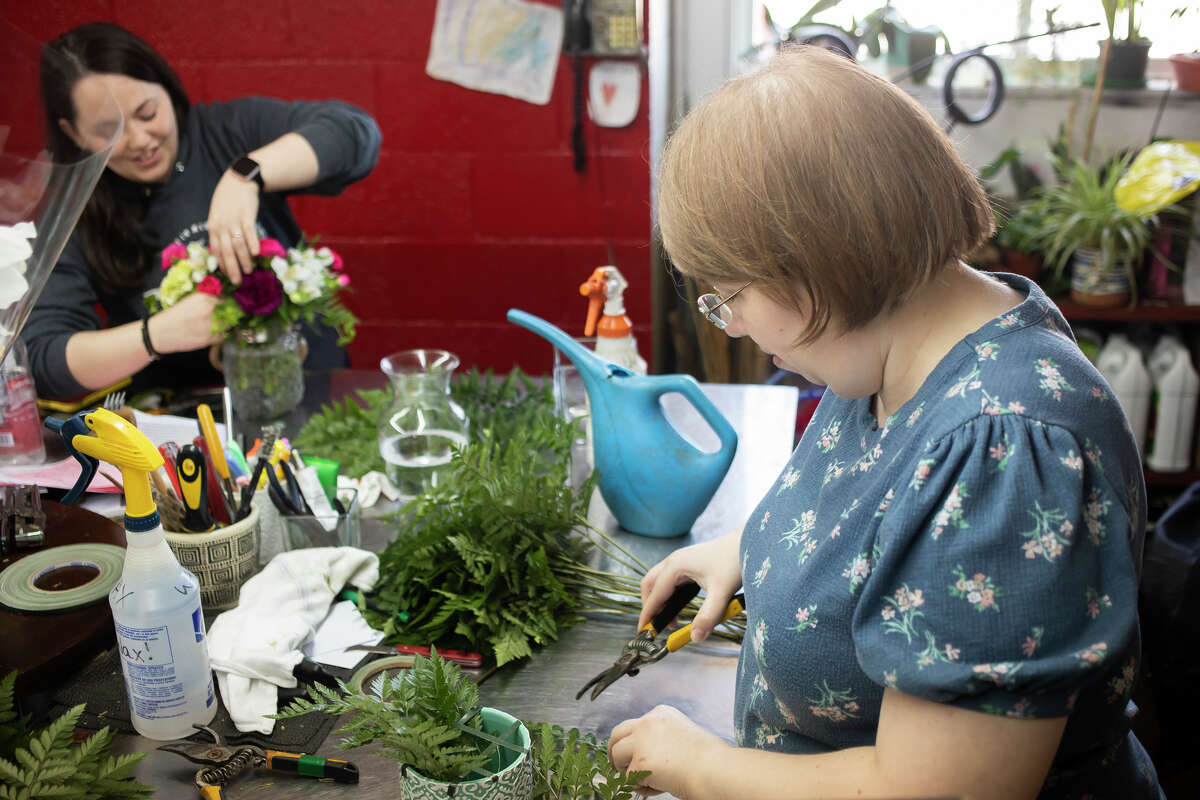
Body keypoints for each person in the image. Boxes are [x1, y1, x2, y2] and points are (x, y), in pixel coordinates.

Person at [608, 47, 1162, 800]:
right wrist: (750, 548)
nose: (731, 325)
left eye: (729, 296)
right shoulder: (890, 338)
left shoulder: (1003, 451)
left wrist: (695, 764)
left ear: (818, 270)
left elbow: (938, 791)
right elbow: (877, 500)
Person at [24, 22, 381, 400]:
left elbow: (355, 133)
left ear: (167, 88)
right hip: (183, 419)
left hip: (308, 390)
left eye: (148, 113)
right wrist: (157, 334)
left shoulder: (224, 131)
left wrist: (246, 175)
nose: (140, 141)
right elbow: (45, 360)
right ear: (74, 133)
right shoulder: (75, 208)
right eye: (109, 130)